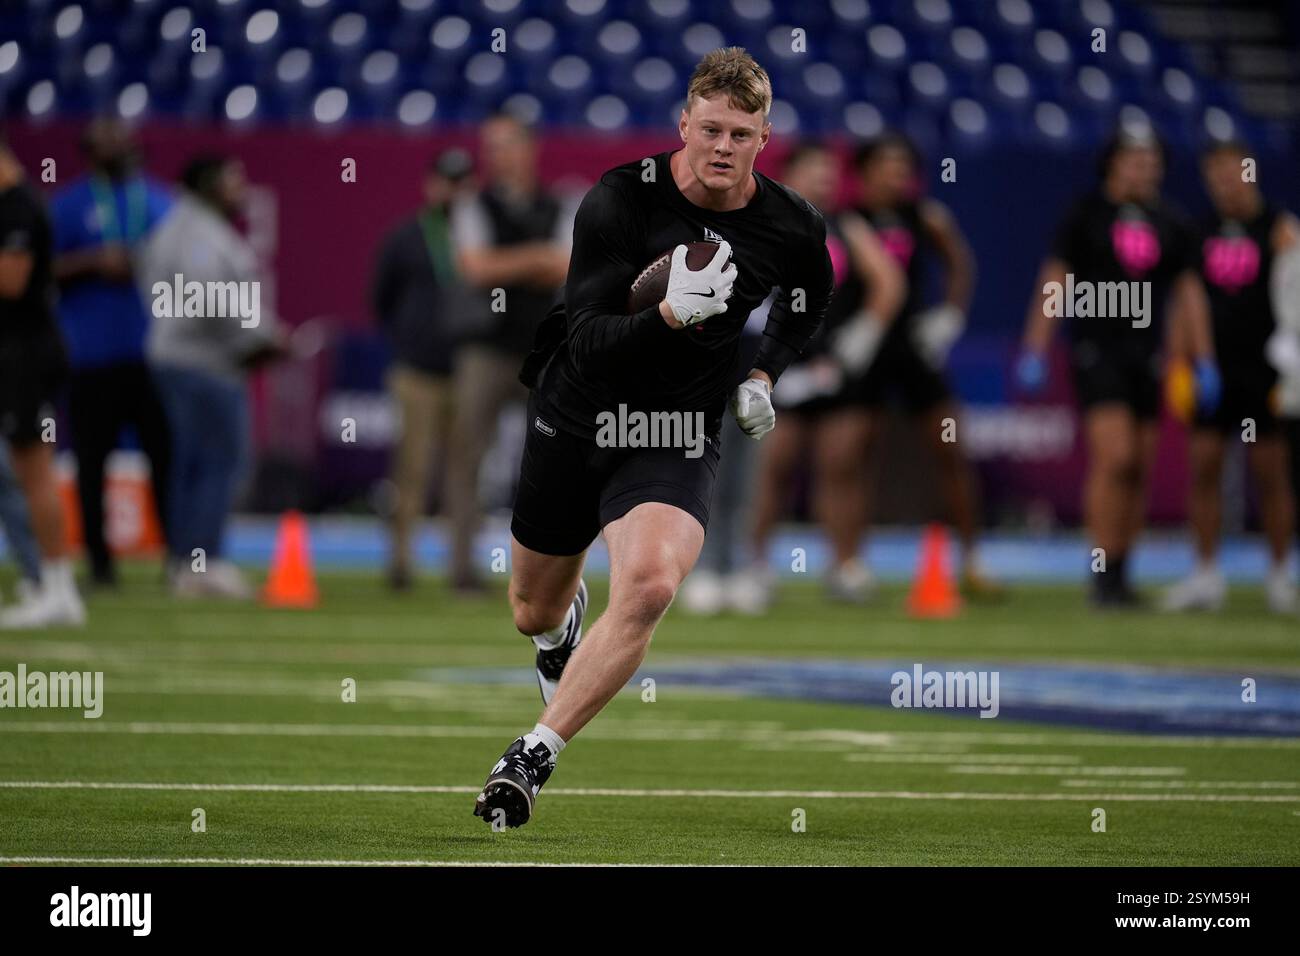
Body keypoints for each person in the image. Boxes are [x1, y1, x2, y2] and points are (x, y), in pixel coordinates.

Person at [472, 47, 832, 828]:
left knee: (652, 585)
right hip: (578, 409)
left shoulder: (792, 223)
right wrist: (669, 314)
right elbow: (590, 338)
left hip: (674, 427)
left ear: (765, 138)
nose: (723, 147)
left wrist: (765, 375)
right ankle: (563, 631)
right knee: (532, 610)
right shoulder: (619, 200)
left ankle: (532, 755)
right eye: (710, 129)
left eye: (741, 133)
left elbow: (807, 301)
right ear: (683, 124)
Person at [1018, 126, 1219, 607]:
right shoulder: (1086, 215)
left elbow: (1189, 295)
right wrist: (1036, 345)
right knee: (1115, 458)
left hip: (1147, 358)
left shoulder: (1172, 222)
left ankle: (1121, 573)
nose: (1144, 168)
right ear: (1112, 163)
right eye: (1134, 158)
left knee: (1140, 468)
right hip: (1097, 352)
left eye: (1152, 159)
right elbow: (1055, 279)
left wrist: (1203, 359)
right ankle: (1100, 569)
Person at [741, 140, 905, 607]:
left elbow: (889, 282)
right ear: (789, 176)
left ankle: (846, 565)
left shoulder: (847, 226)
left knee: (842, 465)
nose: (825, 182)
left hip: (836, 366)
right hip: (780, 367)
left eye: (830, 174)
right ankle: (756, 566)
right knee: (774, 466)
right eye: (814, 172)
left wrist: (864, 335)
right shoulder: (764, 225)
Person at [847, 133, 1000, 598]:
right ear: (866, 171)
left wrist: (951, 315)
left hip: (915, 345)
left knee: (949, 447)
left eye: (903, 167)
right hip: (868, 345)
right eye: (887, 165)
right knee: (856, 455)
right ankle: (852, 564)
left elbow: (960, 261)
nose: (897, 175)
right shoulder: (848, 220)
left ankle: (972, 558)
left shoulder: (926, 216)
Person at [1161, 139, 1298, 613]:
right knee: (1204, 467)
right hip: (1212, 367)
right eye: (1214, 175)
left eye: (1232, 171)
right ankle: (1205, 574)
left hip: (1264, 368)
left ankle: (1280, 575)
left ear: (1250, 171)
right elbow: (1185, 301)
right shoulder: (1197, 232)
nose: (1224, 182)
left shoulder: (1278, 228)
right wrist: (1182, 361)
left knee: (1271, 473)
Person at [139, 154, 284, 598]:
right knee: (219, 463)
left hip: (184, 357)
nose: (240, 188)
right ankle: (204, 562)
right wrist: (258, 338)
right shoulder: (196, 233)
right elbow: (204, 299)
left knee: (194, 463)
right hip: (204, 362)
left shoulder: (178, 227)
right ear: (207, 184)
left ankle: (186, 561)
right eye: (232, 179)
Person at [446, 113, 573, 594]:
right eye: (490, 146)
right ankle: (463, 568)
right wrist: (536, 258)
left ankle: (540, 570)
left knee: (547, 457)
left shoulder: (555, 202)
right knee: (467, 457)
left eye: (505, 145)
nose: (496, 156)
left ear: (529, 149)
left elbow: (565, 265)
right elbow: (475, 269)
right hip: (484, 347)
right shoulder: (472, 202)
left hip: (540, 349)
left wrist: (510, 264)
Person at [50, 118, 173, 588]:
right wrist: (92, 262)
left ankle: (179, 559)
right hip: (90, 355)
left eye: (123, 138)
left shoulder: (159, 202)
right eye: (108, 140)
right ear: (89, 150)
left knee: (165, 457)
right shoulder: (68, 206)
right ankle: (100, 564)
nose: (119, 146)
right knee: (91, 462)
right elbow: (38, 271)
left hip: (155, 354)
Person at [372, 148, 474, 591]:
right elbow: (381, 299)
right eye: (446, 180)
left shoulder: (479, 236)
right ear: (431, 184)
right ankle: (400, 564)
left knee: (464, 474)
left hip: (469, 372)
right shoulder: (407, 236)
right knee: (411, 471)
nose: (453, 190)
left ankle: (461, 568)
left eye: (461, 181)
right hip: (417, 370)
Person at [0, 135, 85, 629]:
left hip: (27, 357)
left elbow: (11, 282)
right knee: (24, 472)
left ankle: (56, 586)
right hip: (17, 353)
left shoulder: (18, 208)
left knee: (34, 473)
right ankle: (47, 581)